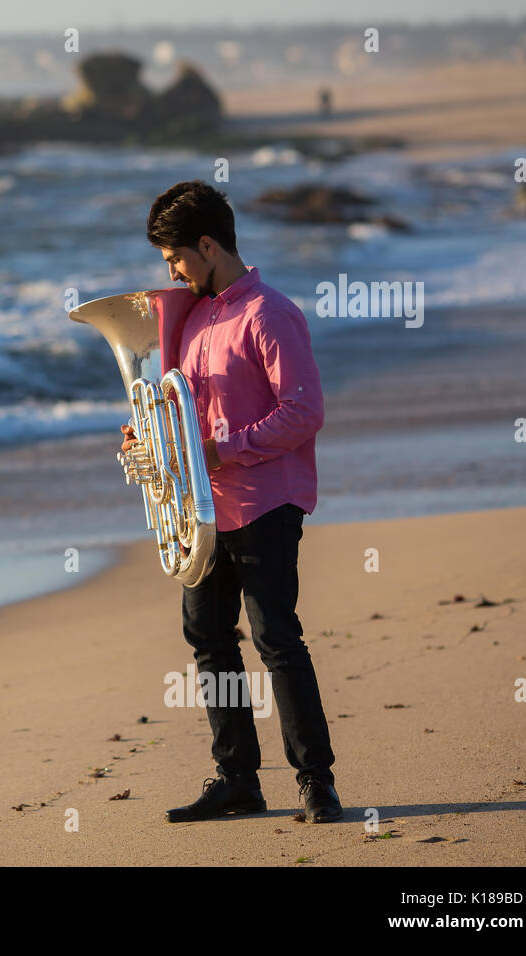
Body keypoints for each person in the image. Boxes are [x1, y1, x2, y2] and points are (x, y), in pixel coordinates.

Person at [122, 180, 342, 823]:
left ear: (210, 245)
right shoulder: (189, 320)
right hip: (205, 508)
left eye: (176, 259)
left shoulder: (270, 314)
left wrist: (222, 449)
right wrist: (150, 436)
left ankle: (316, 781)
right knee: (209, 635)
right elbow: (180, 408)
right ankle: (238, 779)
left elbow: (305, 413)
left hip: (268, 499)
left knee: (276, 636)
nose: (171, 273)